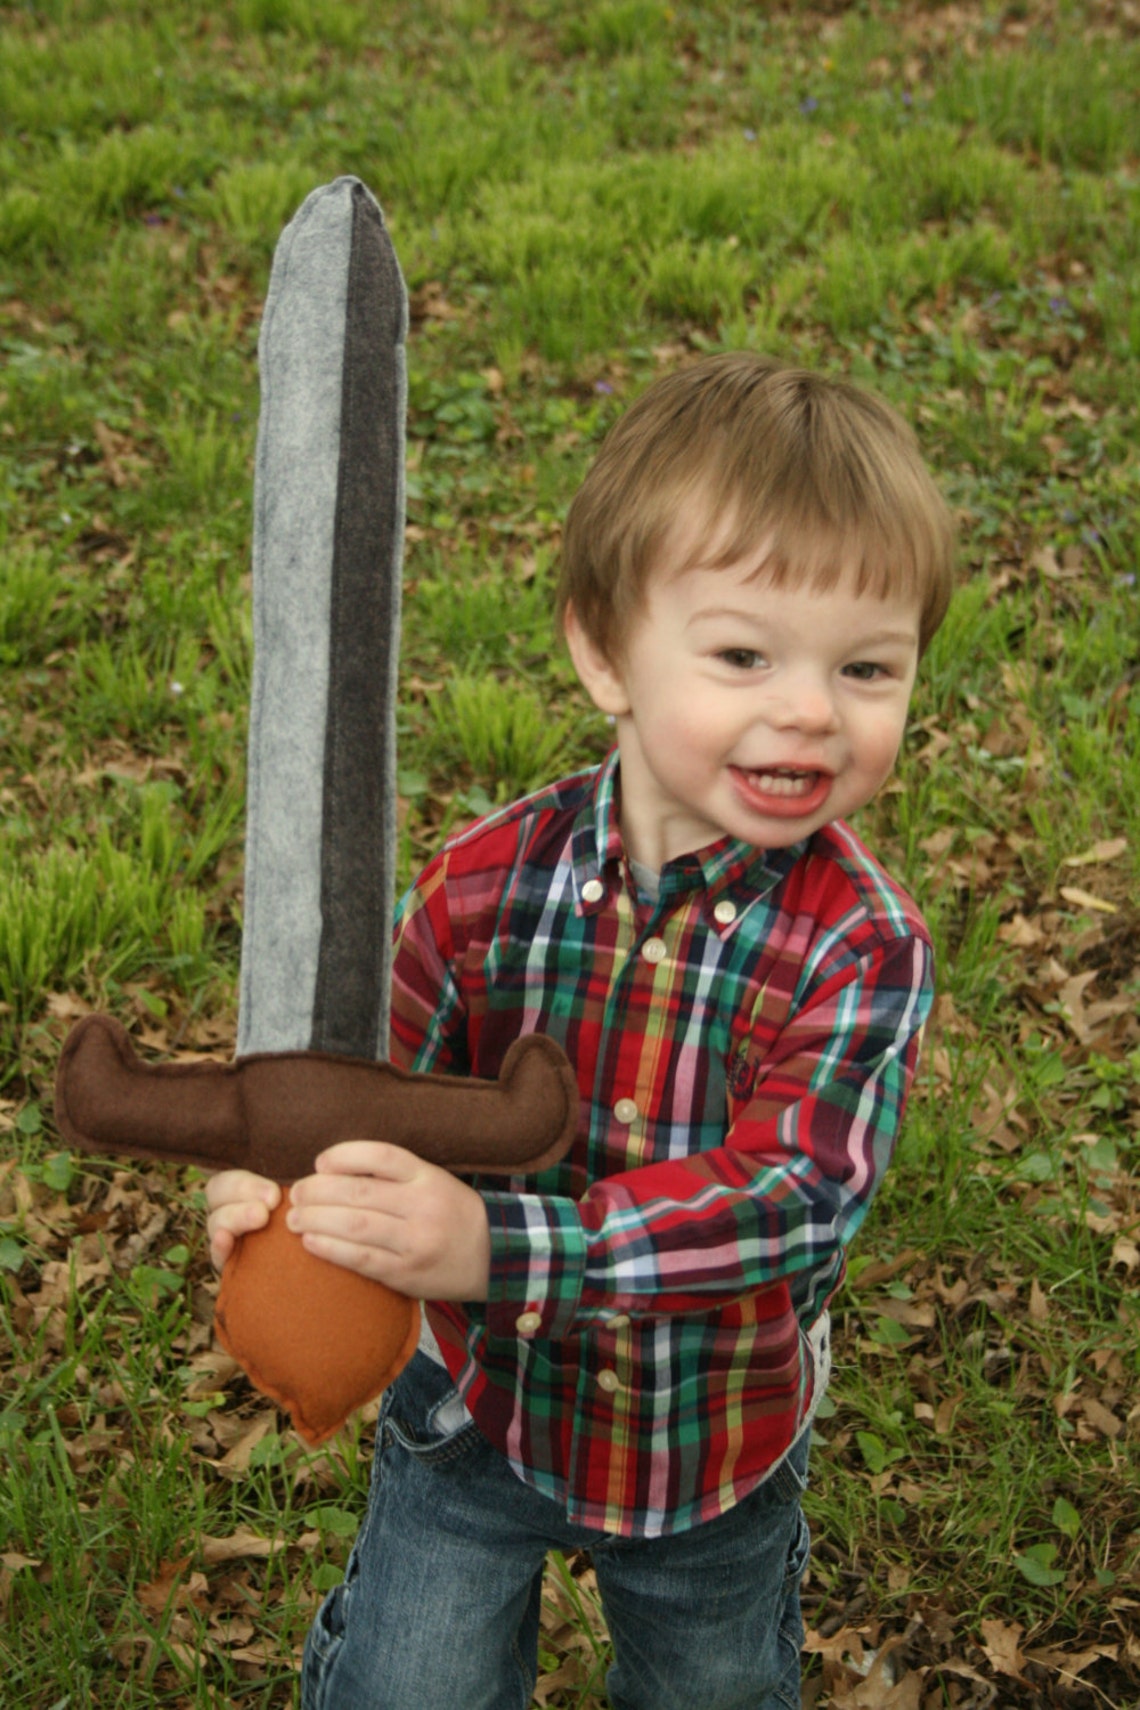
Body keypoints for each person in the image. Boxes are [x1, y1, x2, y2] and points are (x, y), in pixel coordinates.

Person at [207, 352, 955, 1710]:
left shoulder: (863, 944)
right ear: (604, 652)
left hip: (709, 1445)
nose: (809, 708)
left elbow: (791, 1199)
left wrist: (497, 1246)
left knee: (708, 1690)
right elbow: (372, 1091)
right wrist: (287, 1181)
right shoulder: (482, 886)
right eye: (743, 654)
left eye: (866, 666)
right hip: (473, 1416)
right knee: (411, 1688)